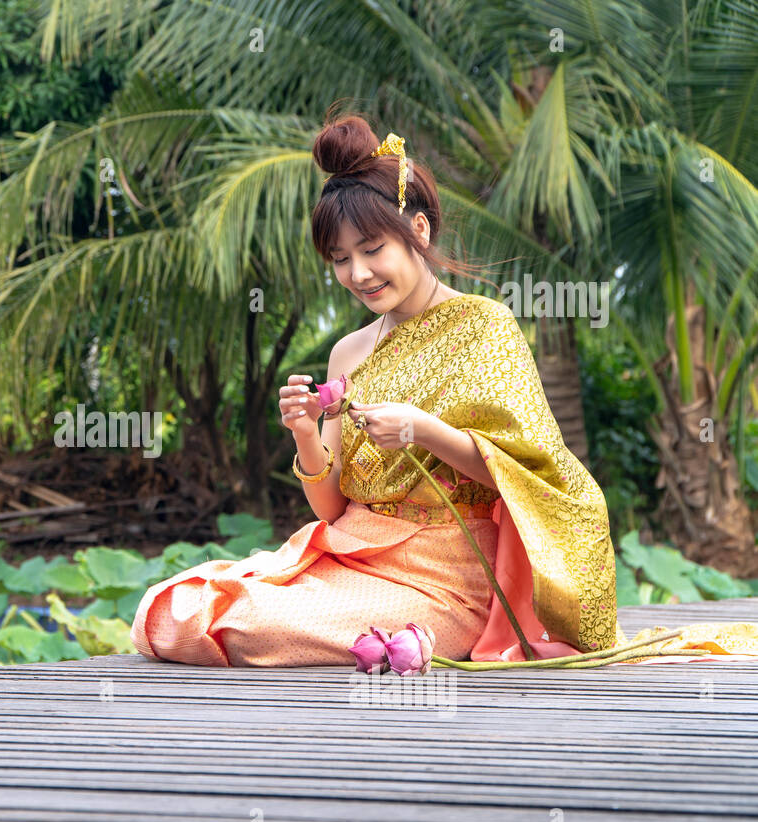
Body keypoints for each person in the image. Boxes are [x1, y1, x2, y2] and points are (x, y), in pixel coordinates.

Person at [129, 113, 758, 667]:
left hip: (451, 579)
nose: (359, 273)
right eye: (341, 259)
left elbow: (537, 476)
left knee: (237, 623)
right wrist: (303, 433)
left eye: (372, 249)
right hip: (353, 550)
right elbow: (330, 508)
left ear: (420, 233)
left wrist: (424, 430)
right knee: (171, 610)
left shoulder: (483, 326)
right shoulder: (349, 350)